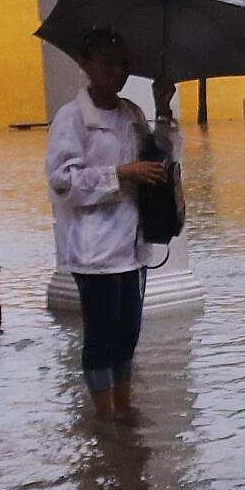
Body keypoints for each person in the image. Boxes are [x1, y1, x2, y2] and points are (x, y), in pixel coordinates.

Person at [45, 26, 177, 421]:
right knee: (101, 335)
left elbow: (160, 157)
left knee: (128, 333)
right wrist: (120, 173)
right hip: (93, 249)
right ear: (85, 64)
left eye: (123, 64)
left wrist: (163, 110)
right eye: (108, 63)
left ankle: (124, 406)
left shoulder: (132, 114)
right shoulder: (71, 119)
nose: (117, 72)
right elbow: (62, 181)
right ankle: (106, 418)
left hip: (131, 245)